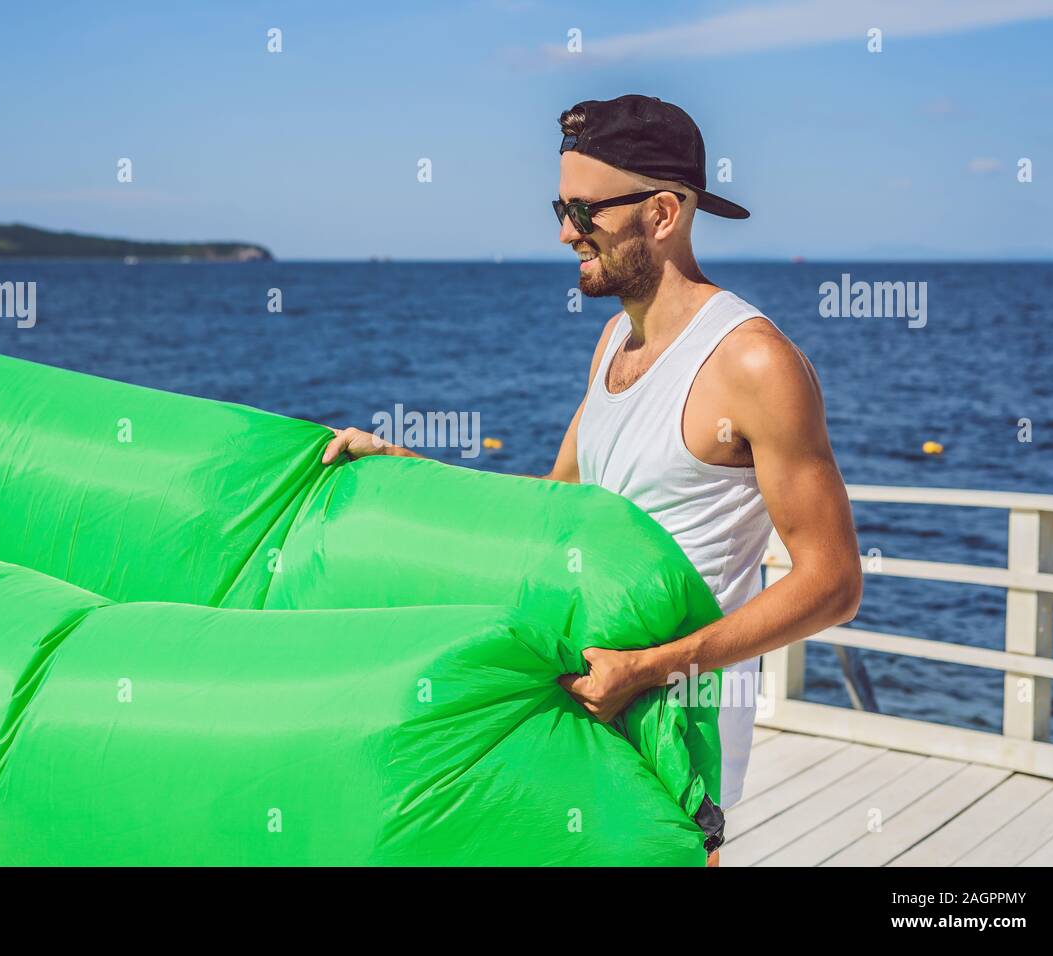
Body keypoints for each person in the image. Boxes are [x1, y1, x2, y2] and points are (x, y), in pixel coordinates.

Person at [323, 95, 862, 864]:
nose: (564, 231)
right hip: (580, 712)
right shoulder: (616, 338)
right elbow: (554, 506)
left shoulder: (753, 363)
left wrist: (650, 668)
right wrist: (406, 470)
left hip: (674, 739)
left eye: (584, 209)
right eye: (560, 205)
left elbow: (834, 582)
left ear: (665, 212)